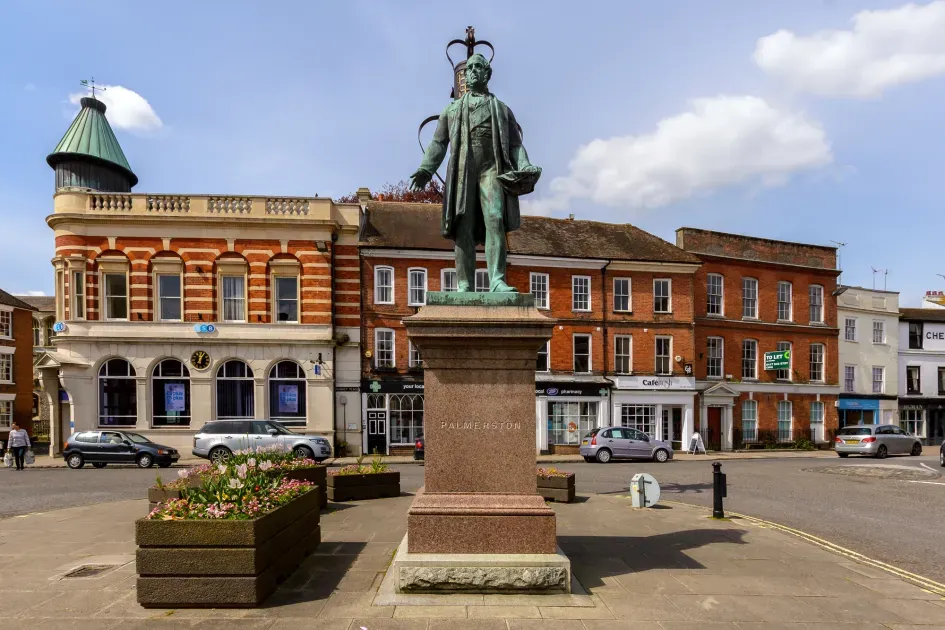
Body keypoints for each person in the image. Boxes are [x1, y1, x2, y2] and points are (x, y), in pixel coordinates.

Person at [410, 53, 541, 293]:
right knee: (463, 224)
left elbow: (515, 145)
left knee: (495, 219)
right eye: (469, 69)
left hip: (492, 169)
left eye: (478, 67)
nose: (471, 72)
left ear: (487, 73)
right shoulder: (452, 110)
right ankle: (464, 284)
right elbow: (439, 143)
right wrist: (426, 169)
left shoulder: (501, 110)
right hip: (463, 170)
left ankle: (497, 280)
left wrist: (524, 165)